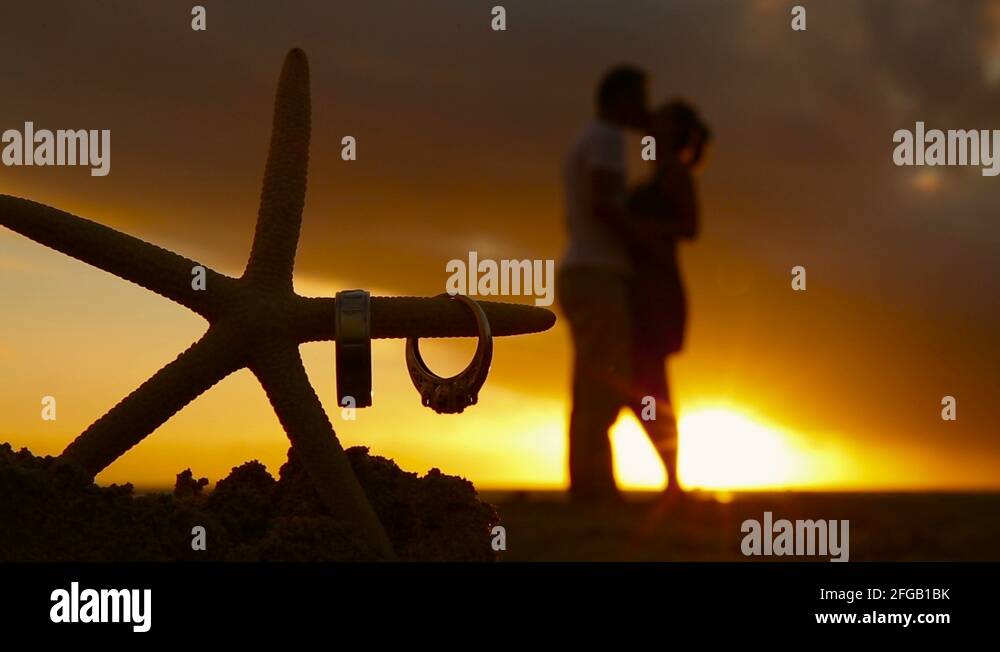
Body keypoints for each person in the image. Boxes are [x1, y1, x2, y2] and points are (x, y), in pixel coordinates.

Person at [557, 65, 649, 502]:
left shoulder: (586, 140)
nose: (644, 108)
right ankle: (594, 486)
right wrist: (644, 242)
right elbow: (604, 203)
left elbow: (575, 214)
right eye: (639, 97)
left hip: (582, 269)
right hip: (598, 272)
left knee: (592, 379)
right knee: (607, 378)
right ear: (620, 99)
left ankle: (590, 482)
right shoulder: (606, 138)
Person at [625, 100, 710, 498]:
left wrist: (640, 227)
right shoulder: (658, 172)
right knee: (646, 384)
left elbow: (690, 227)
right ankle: (672, 479)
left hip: (656, 292)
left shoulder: (674, 174)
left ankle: (673, 479)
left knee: (652, 386)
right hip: (643, 288)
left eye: (661, 120)